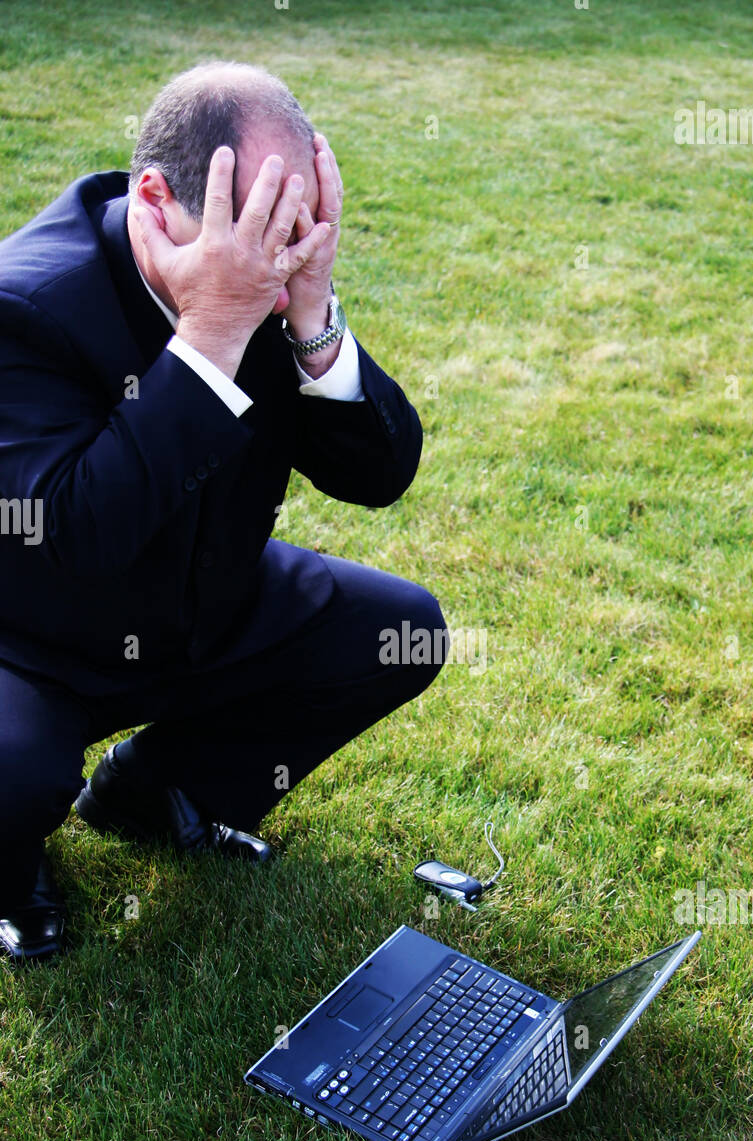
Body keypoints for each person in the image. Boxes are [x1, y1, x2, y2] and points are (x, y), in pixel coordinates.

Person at [0, 61, 448, 963]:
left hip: (206, 595)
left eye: (294, 231)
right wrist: (210, 334)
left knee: (402, 630)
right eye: (254, 233)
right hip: (28, 636)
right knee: (11, 773)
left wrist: (310, 316)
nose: (271, 262)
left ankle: (157, 794)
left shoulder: (268, 274)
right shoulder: (22, 305)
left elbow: (379, 475)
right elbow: (73, 537)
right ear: (157, 196)